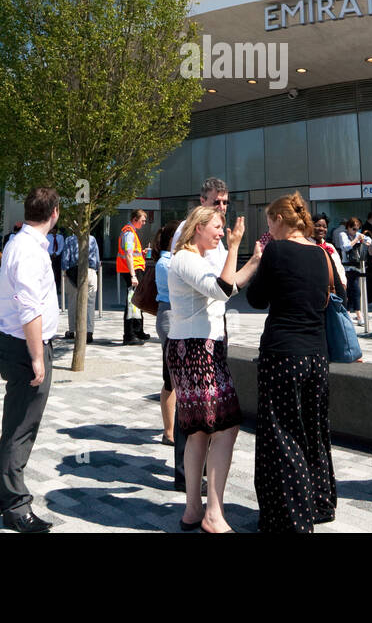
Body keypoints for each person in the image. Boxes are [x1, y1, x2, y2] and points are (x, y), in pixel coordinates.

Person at [246, 194, 337, 532]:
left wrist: (259, 258)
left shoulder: (276, 250)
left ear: (280, 220)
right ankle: (319, 502)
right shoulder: (320, 253)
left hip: (283, 352)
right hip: (317, 355)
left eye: (269, 221)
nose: (267, 228)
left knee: (281, 435)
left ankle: (289, 517)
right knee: (314, 430)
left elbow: (256, 298)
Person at [167, 204, 259, 532]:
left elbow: (228, 287)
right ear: (199, 228)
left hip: (198, 349)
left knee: (201, 432)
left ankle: (194, 510)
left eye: (223, 229)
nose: (222, 233)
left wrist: (253, 259)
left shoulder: (197, 259)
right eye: (217, 227)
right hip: (196, 352)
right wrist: (235, 247)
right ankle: (212, 514)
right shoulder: (186, 258)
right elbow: (221, 288)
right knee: (226, 426)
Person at [0, 188, 62, 533]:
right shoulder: (30, 250)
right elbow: (30, 308)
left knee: (14, 422)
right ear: (54, 213)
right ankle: (15, 506)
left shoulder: (19, 244)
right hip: (26, 347)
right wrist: (37, 358)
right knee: (21, 428)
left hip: (16, 344)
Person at [168, 177, 232, 492]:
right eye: (215, 201)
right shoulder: (187, 235)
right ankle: (186, 473)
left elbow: (227, 285)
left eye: (225, 203)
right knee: (190, 403)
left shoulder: (220, 235)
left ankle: (200, 468)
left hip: (215, 326)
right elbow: (215, 286)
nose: (221, 207)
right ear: (201, 201)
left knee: (209, 404)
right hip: (192, 334)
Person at [152, 221, 181, 445]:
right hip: (170, 317)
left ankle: (172, 429)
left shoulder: (175, 260)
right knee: (170, 377)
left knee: (174, 375)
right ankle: (169, 431)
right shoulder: (165, 263)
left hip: (176, 318)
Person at [117, 209, 150, 345]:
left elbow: (132, 253)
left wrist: (142, 252)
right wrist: (133, 275)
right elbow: (129, 254)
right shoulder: (129, 233)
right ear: (135, 219)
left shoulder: (131, 232)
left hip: (134, 269)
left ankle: (137, 330)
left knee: (136, 301)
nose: (144, 223)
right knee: (132, 302)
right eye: (142, 220)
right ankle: (130, 335)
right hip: (132, 271)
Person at [61, 231, 101, 342]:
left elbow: (65, 259)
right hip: (90, 271)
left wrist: (65, 272)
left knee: (73, 301)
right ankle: (88, 331)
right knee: (90, 302)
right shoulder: (92, 239)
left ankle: (73, 330)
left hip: (74, 272)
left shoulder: (69, 240)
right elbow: (97, 259)